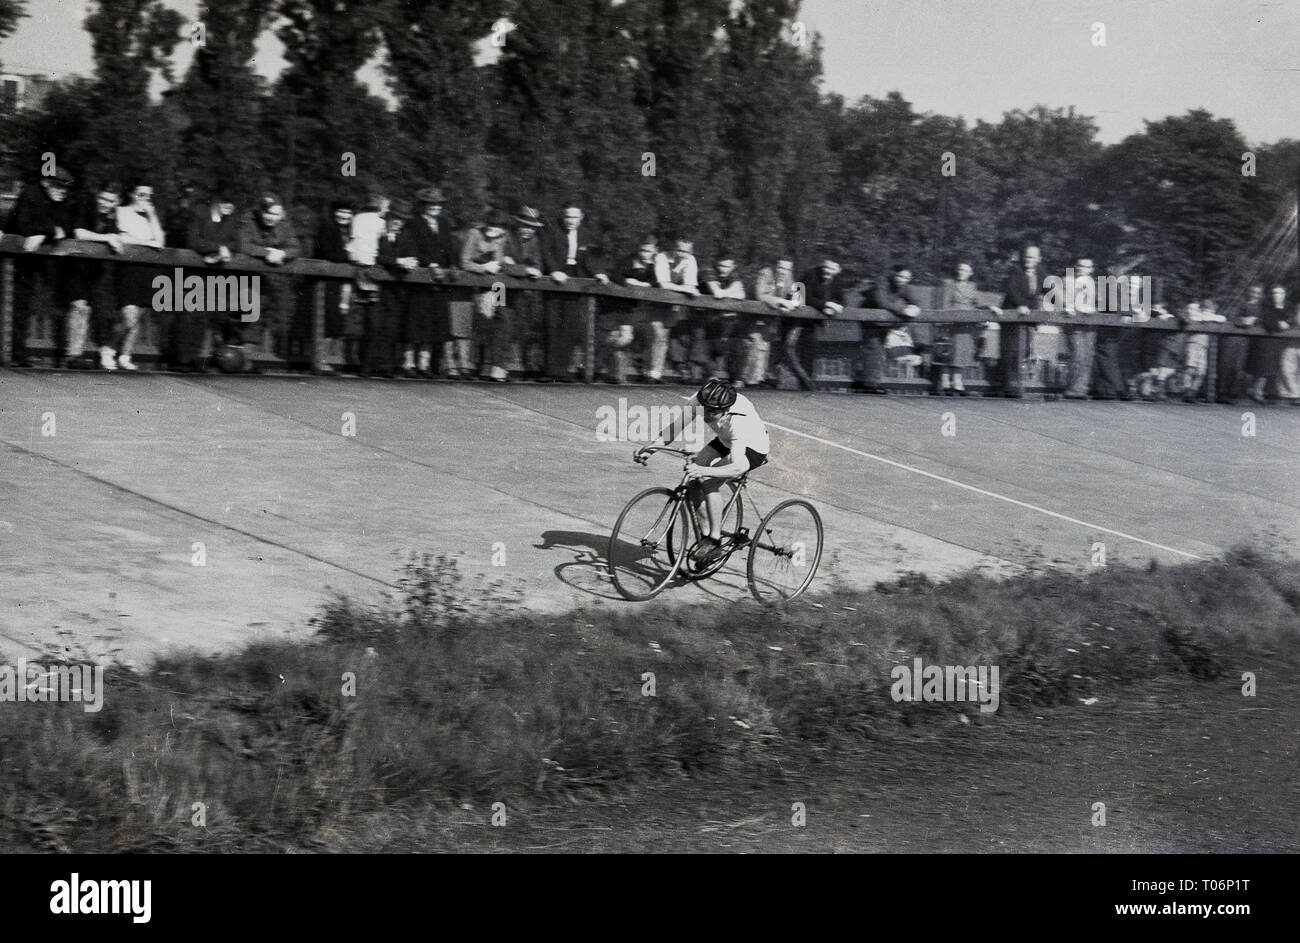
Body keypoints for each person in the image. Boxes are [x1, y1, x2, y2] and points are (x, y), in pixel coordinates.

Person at [636, 377, 771, 569]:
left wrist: (704, 470)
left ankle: (714, 541)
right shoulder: (701, 400)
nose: (706, 414)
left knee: (708, 481)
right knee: (693, 480)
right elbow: (674, 429)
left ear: (726, 411)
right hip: (725, 439)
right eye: (704, 409)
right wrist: (650, 449)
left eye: (712, 412)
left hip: (752, 446)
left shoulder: (739, 420)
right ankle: (706, 537)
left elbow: (736, 466)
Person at [7, 168, 77, 368]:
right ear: (46, 183)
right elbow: (23, 226)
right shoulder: (29, 194)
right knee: (16, 303)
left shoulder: (63, 201)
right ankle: (15, 353)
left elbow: (64, 229)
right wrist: (48, 230)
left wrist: (43, 233)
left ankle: (59, 354)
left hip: (42, 260)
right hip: (15, 259)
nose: (62, 191)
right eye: (58, 186)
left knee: (52, 302)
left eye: (65, 188)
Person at [394, 186, 457, 377]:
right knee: (414, 323)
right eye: (431, 204)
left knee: (433, 325)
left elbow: (450, 248)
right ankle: (408, 363)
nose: (435, 207)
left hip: (440, 283)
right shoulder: (414, 223)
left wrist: (453, 264)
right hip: (420, 281)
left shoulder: (444, 223)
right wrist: (429, 264)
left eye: (438, 204)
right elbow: (411, 247)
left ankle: (424, 364)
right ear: (424, 205)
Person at [543, 203, 609, 381]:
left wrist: (598, 273)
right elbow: (546, 252)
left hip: (575, 279)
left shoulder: (586, 235)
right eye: (567, 217)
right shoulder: (552, 231)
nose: (570, 221)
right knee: (552, 324)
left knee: (569, 326)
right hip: (555, 278)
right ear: (563, 217)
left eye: (574, 217)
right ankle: (550, 372)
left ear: (581, 218)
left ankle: (563, 371)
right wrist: (554, 270)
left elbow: (588, 259)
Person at [69, 181, 126, 370]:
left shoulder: (112, 219)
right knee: (80, 307)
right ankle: (74, 355)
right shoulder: (86, 206)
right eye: (102, 198)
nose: (104, 202)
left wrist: (116, 238)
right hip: (76, 266)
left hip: (97, 272)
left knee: (105, 312)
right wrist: (107, 238)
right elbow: (79, 233)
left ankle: (101, 354)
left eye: (110, 200)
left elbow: (118, 240)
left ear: (115, 202)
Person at [238, 193, 300, 358]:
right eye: (268, 213)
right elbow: (244, 245)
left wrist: (282, 253)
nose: (271, 218)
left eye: (275, 214)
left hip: (273, 282)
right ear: (261, 212)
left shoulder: (284, 226)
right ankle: (238, 357)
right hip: (247, 278)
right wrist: (266, 253)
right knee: (246, 315)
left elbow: (295, 248)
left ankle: (248, 358)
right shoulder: (249, 222)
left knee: (267, 318)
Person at [184, 186, 240, 371]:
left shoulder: (230, 219)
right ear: (216, 201)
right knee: (192, 316)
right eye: (225, 203)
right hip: (194, 273)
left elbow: (235, 242)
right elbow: (193, 240)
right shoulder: (200, 213)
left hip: (217, 274)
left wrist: (224, 250)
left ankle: (202, 358)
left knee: (212, 317)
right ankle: (186, 359)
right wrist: (217, 247)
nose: (228, 208)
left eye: (231, 205)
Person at [114, 181, 168, 370]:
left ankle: (124, 356)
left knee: (137, 318)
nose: (145, 199)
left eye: (148, 195)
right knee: (128, 318)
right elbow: (123, 238)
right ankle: (110, 348)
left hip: (147, 270)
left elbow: (160, 242)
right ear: (132, 194)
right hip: (127, 269)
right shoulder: (121, 211)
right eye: (141, 194)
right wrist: (147, 242)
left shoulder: (149, 217)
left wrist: (152, 215)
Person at [460, 210, 511, 381]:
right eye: (491, 225)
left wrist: (497, 247)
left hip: (496, 284)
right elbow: (464, 261)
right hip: (475, 280)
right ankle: (477, 364)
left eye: (498, 227)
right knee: (479, 321)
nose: (493, 229)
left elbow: (500, 262)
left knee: (500, 317)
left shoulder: (502, 237)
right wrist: (483, 268)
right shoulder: (474, 234)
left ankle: (496, 366)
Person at [502, 205, 551, 375]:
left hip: (522, 292)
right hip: (499, 288)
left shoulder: (534, 242)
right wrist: (525, 269)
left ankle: (526, 365)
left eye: (531, 228)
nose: (527, 230)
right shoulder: (507, 237)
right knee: (500, 323)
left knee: (526, 327)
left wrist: (519, 267)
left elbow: (538, 267)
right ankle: (497, 365)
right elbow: (504, 266)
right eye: (523, 226)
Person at [312, 198, 356, 373]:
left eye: (348, 213)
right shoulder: (327, 227)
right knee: (326, 318)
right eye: (341, 212)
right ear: (334, 212)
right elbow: (327, 252)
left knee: (336, 319)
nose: (344, 216)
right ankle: (319, 359)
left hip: (343, 281)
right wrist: (350, 255)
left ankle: (325, 359)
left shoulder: (351, 230)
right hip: (327, 279)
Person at [994, 246, 1043, 397]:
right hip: (1012, 317)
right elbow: (1012, 289)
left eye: (1033, 258)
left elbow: (1049, 291)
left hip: (1028, 320)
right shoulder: (1015, 271)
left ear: (1038, 260)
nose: (1029, 260)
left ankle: (1016, 384)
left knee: (1024, 352)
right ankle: (1007, 387)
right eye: (1028, 257)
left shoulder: (1040, 274)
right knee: (1010, 351)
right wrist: (1020, 304)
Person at [935, 261, 989, 396]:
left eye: (965, 270)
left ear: (970, 273)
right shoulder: (949, 284)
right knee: (948, 352)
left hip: (966, 325)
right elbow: (945, 305)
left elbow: (978, 304)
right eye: (960, 269)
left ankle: (958, 383)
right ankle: (945, 383)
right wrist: (947, 319)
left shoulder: (973, 286)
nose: (962, 272)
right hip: (952, 323)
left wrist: (989, 308)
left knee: (962, 352)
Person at [866, 265, 922, 393]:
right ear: (894, 274)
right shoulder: (882, 282)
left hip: (883, 324)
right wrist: (903, 310)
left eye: (907, 277)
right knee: (874, 351)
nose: (903, 279)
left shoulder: (903, 286)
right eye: (901, 276)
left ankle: (874, 383)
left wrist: (915, 308)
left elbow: (915, 301)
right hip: (870, 322)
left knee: (880, 353)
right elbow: (881, 302)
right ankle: (870, 386)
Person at [701, 251, 747, 384]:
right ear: (716, 264)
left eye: (727, 266)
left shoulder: (735, 275)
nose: (723, 269)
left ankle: (736, 378)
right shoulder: (709, 271)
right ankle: (709, 377)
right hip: (707, 316)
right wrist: (731, 292)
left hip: (726, 317)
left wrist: (725, 292)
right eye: (721, 266)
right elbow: (717, 293)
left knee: (737, 343)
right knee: (712, 346)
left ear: (733, 266)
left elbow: (741, 295)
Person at [753, 257, 800, 387]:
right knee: (759, 349)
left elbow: (798, 301)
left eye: (786, 269)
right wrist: (782, 302)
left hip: (776, 324)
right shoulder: (766, 273)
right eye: (780, 267)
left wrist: (792, 304)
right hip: (758, 320)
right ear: (775, 266)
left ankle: (770, 378)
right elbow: (760, 295)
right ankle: (756, 381)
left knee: (776, 350)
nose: (783, 271)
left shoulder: (790, 280)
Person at [1247, 284, 1291, 403]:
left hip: (1277, 343)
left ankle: (1269, 394)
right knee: (1263, 368)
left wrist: (1284, 324)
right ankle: (1257, 392)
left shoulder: (1285, 308)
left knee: (1273, 368)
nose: (1277, 296)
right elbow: (1269, 323)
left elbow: (1289, 321)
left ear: (1284, 295)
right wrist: (1280, 325)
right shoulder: (1266, 306)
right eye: (1275, 293)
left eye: (1280, 293)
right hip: (1265, 341)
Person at [1062, 258, 1098, 399]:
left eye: (1085, 266)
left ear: (1091, 269)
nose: (1081, 268)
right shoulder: (1067, 281)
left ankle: (1081, 389)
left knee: (1088, 356)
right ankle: (1072, 388)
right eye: (1079, 266)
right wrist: (1068, 306)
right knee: (1077, 354)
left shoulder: (1093, 283)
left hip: (1089, 325)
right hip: (1073, 324)